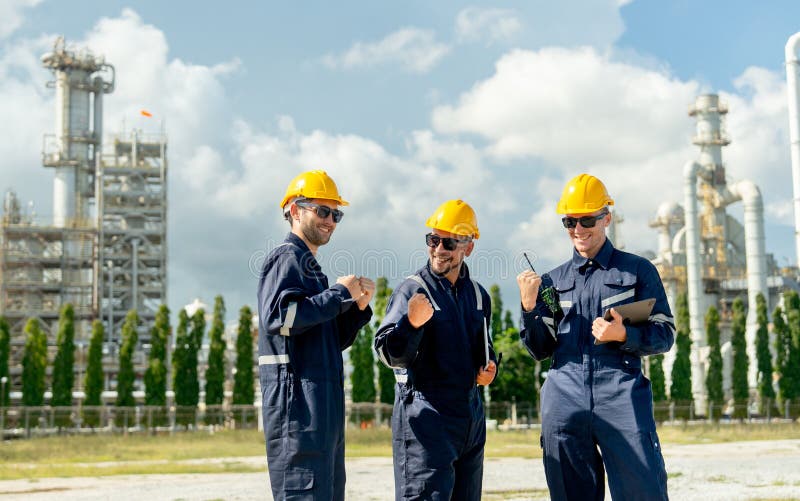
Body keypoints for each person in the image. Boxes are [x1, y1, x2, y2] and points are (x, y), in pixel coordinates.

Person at [517, 173, 674, 501]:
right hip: (564, 394)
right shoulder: (552, 280)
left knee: (642, 490)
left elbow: (665, 333)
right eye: (569, 221)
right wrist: (530, 307)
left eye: (586, 219)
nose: (578, 229)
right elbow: (539, 349)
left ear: (606, 218)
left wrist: (624, 334)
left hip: (620, 391)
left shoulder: (637, 271)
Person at [257, 170, 374, 500]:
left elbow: (328, 343)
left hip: (320, 411)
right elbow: (281, 317)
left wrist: (356, 310)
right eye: (322, 211)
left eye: (336, 214)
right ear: (295, 210)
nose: (330, 221)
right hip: (298, 410)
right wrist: (338, 295)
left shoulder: (309, 267)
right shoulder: (286, 257)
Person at [375, 199, 499, 501]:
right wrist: (411, 324)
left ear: (468, 247)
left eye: (449, 243)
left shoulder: (479, 296)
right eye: (433, 240)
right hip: (425, 418)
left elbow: (485, 346)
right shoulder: (412, 290)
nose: (439, 249)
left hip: (470, 417)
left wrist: (490, 367)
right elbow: (388, 354)